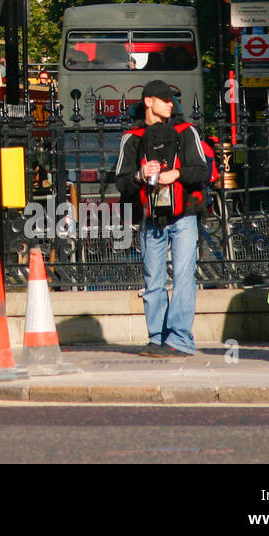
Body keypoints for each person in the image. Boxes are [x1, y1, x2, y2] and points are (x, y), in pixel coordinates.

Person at [114, 79, 209, 358]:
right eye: (165, 99)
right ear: (148, 101)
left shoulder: (186, 131)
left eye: (173, 100)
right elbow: (121, 182)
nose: (172, 104)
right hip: (151, 216)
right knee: (152, 280)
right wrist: (141, 175)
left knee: (183, 277)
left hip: (184, 215)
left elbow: (202, 171)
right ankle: (157, 338)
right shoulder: (131, 137)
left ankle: (179, 339)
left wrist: (176, 174)